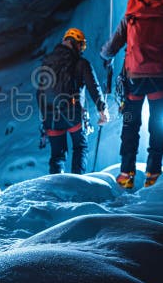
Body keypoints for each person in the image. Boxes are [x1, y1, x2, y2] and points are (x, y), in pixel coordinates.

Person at [100, 0, 163, 189]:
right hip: (161, 83)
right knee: (158, 125)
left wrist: (105, 56)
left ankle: (126, 174)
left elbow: (110, 49)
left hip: (133, 83)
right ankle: (153, 173)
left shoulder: (130, 20)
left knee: (129, 125)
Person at [37, 28, 109, 174]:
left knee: (57, 156)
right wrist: (102, 109)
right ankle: (77, 187)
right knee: (80, 148)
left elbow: (39, 92)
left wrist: (44, 117)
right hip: (73, 114)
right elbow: (93, 87)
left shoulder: (47, 62)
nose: (81, 49)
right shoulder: (81, 63)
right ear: (76, 44)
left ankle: (55, 191)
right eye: (81, 45)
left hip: (50, 116)